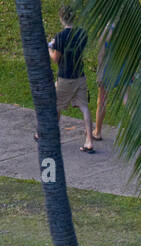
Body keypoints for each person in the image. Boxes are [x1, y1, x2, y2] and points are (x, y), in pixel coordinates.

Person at [45, 7, 94, 154]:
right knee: (84, 107)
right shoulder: (82, 34)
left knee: (56, 106)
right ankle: (89, 141)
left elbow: (55, 58)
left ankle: (51, 138)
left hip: (65, 77)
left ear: (62, 18)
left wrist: (49, 47)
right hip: (80, 75)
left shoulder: (60, 36)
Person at [92, 20, 132, 142]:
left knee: (102, 101)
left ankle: (97, 131)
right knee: (128, 100)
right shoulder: (127, 29)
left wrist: (99, 69)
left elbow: (101, 52)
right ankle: (137, 134)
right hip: (124, 66)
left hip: (108, 67)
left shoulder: (106, 29)